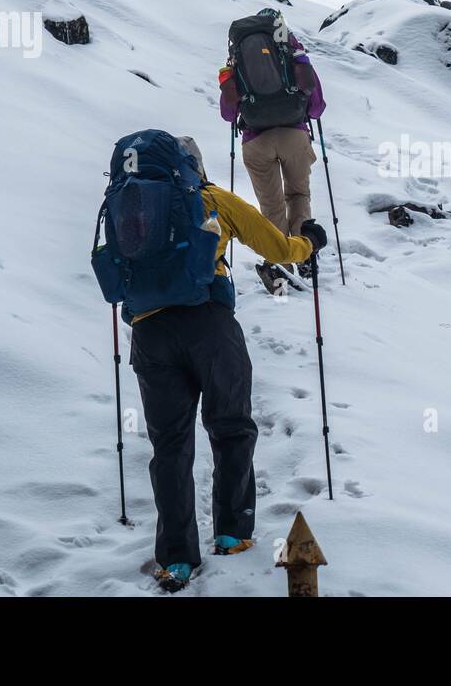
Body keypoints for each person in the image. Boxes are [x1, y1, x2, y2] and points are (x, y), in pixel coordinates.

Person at [129, 136, 328, 592]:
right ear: (193, 166)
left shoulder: (132, 205)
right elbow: (278, 250)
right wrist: (308, 243)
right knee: (231, 426)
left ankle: (176, 560)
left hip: (150, 334)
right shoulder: (213, 199)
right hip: (209, 326)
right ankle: (232, 533)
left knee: (170, 446)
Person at [220, 9, 326, 290]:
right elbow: (316, 107)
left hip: (256, 141)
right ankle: (305, 253)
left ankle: (279, 265)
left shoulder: (237, 60)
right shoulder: (292, 55)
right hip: (295, 135)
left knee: (271, 205)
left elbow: (228, 114)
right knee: (298, 194)